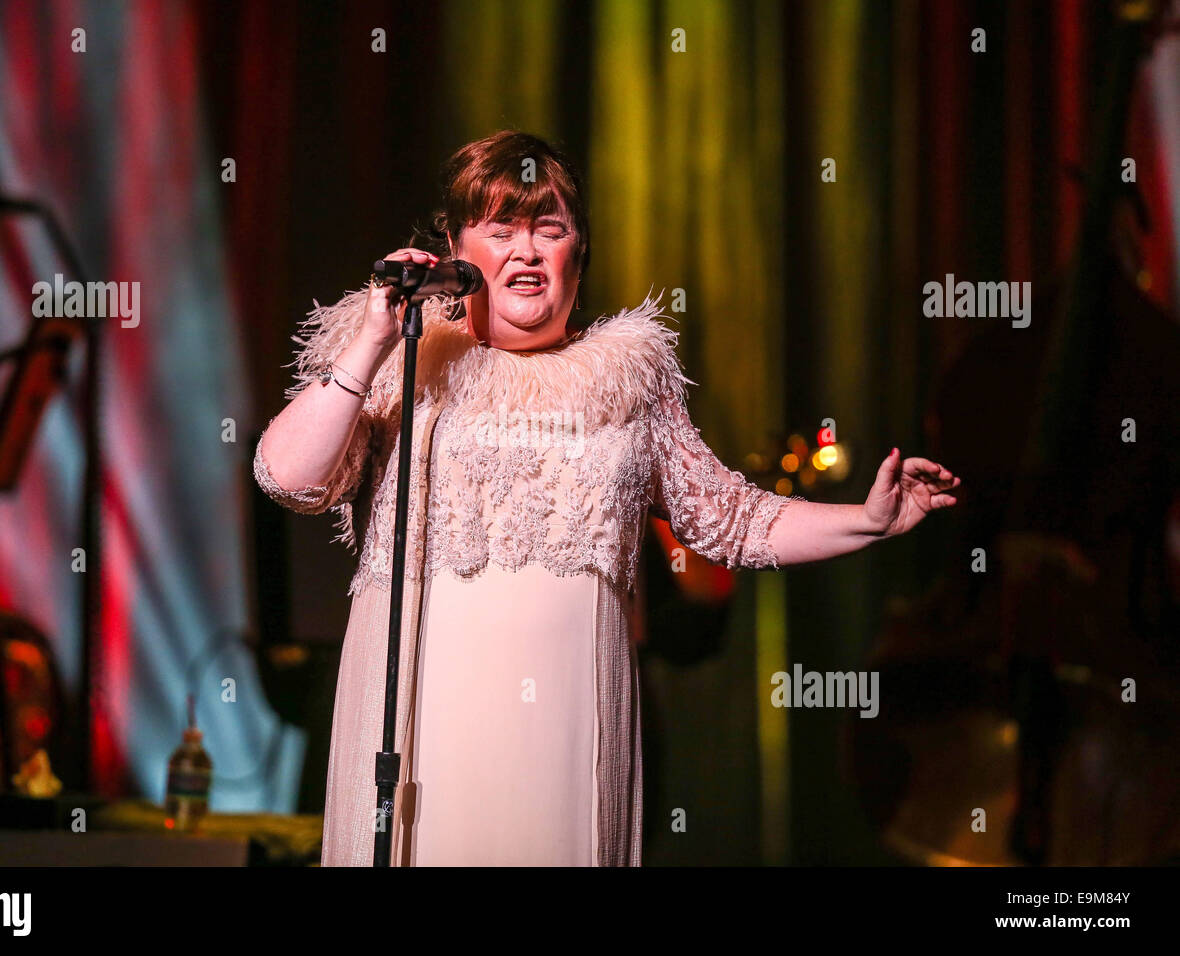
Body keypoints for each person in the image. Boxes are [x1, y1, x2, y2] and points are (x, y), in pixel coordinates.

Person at [253, 130, 961, 866]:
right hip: (420, 723)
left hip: (566, 729)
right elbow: (289, 477)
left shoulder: (627, 377)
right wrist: (372, 338)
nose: (526, 250)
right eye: (500, 230)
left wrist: (871, 520)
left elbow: (734, 521)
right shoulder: (406, 357)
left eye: (548, 230)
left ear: (577, 254)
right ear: (456, 251)